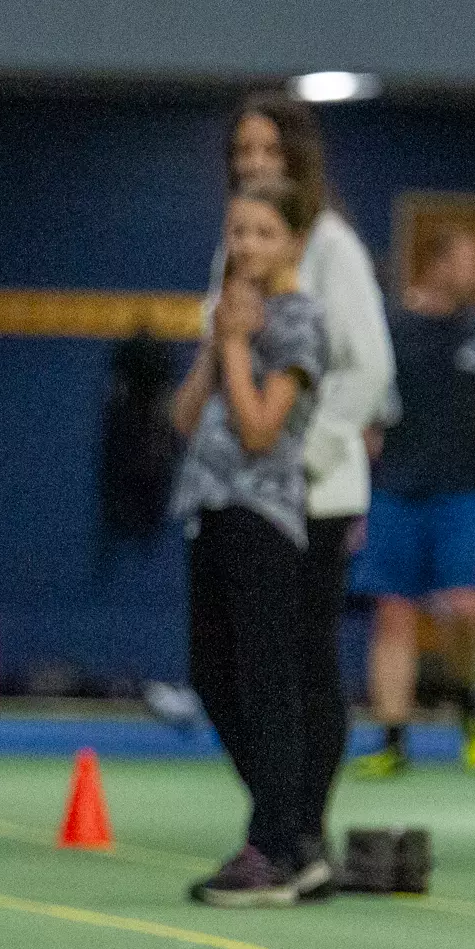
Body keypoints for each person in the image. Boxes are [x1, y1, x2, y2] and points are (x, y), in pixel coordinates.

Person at [209, 94, 393, 889]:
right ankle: (284, 819)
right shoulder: (237, 241)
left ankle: (295, 830)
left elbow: (372, 367)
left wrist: (309, 451)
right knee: (229, 667)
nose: (254, 162)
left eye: (268, 149)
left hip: (314, 493)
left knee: (303, 664)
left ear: (300, 156)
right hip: (245, 488)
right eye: (243, 150)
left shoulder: (333, 245)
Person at [171, 177, 327, 907]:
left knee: (267, 684)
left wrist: (238, 344)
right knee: (212, 673)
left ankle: (274, 842)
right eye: (238, 232)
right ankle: (285, 824)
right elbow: (183, 417)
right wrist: (215, 341)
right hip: (210, 508)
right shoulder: (230, 315)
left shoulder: (296, 324)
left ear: (293, 241)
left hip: (263, 518)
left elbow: (262, 428)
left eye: (265, 232)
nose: (248, 246)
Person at [353, 225, 475, 776]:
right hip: (394, 495)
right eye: (468, 262)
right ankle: (392, 741)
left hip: (460, 496)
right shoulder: (390, 327)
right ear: (435, 263)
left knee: (465, 608)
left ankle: (470, 707)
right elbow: (365, 406)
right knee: (393, 615)